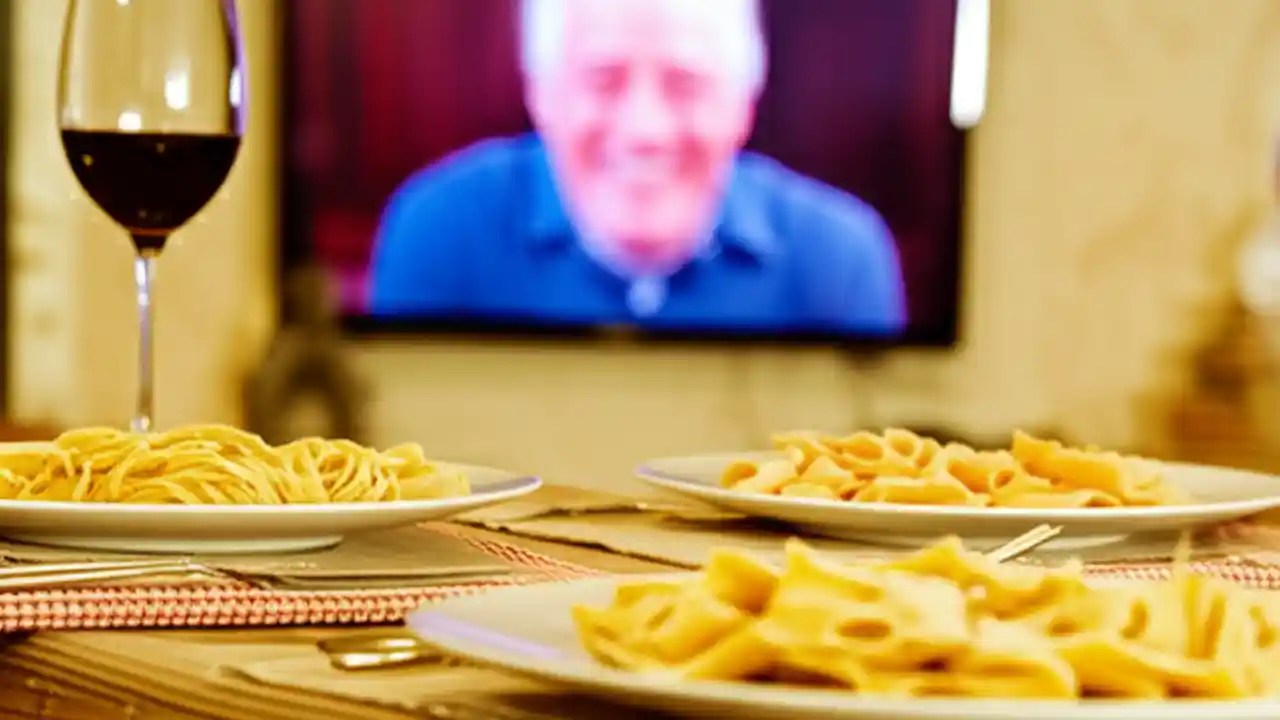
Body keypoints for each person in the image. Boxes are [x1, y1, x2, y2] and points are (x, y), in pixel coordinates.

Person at [368, 0, 906, 334]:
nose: (644, 129)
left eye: (685, 84)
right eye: (603, 81)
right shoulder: (436, 229)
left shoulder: (841, 257)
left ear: (744, 103)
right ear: (541, 93)